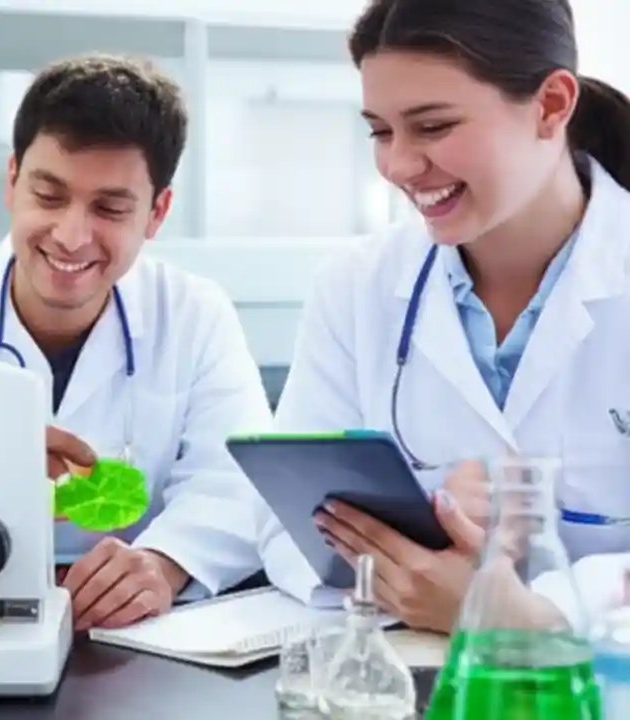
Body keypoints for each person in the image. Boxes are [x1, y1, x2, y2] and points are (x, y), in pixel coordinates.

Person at [0, 53, 275, 633]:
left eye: (110, 208)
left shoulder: (195, 316)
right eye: (48, 197)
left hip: (143, 635)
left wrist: (166, 562)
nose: (72, 236)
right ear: (12, 181)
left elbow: (237, 480)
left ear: (157, 213)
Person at [259, 0, 630, 634]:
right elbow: (283, 522)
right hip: (411, 668)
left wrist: (528, 612)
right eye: (380, 131)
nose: (398, 166)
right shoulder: (359, 284)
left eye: (432, 127)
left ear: (550, 106)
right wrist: (423, 547)